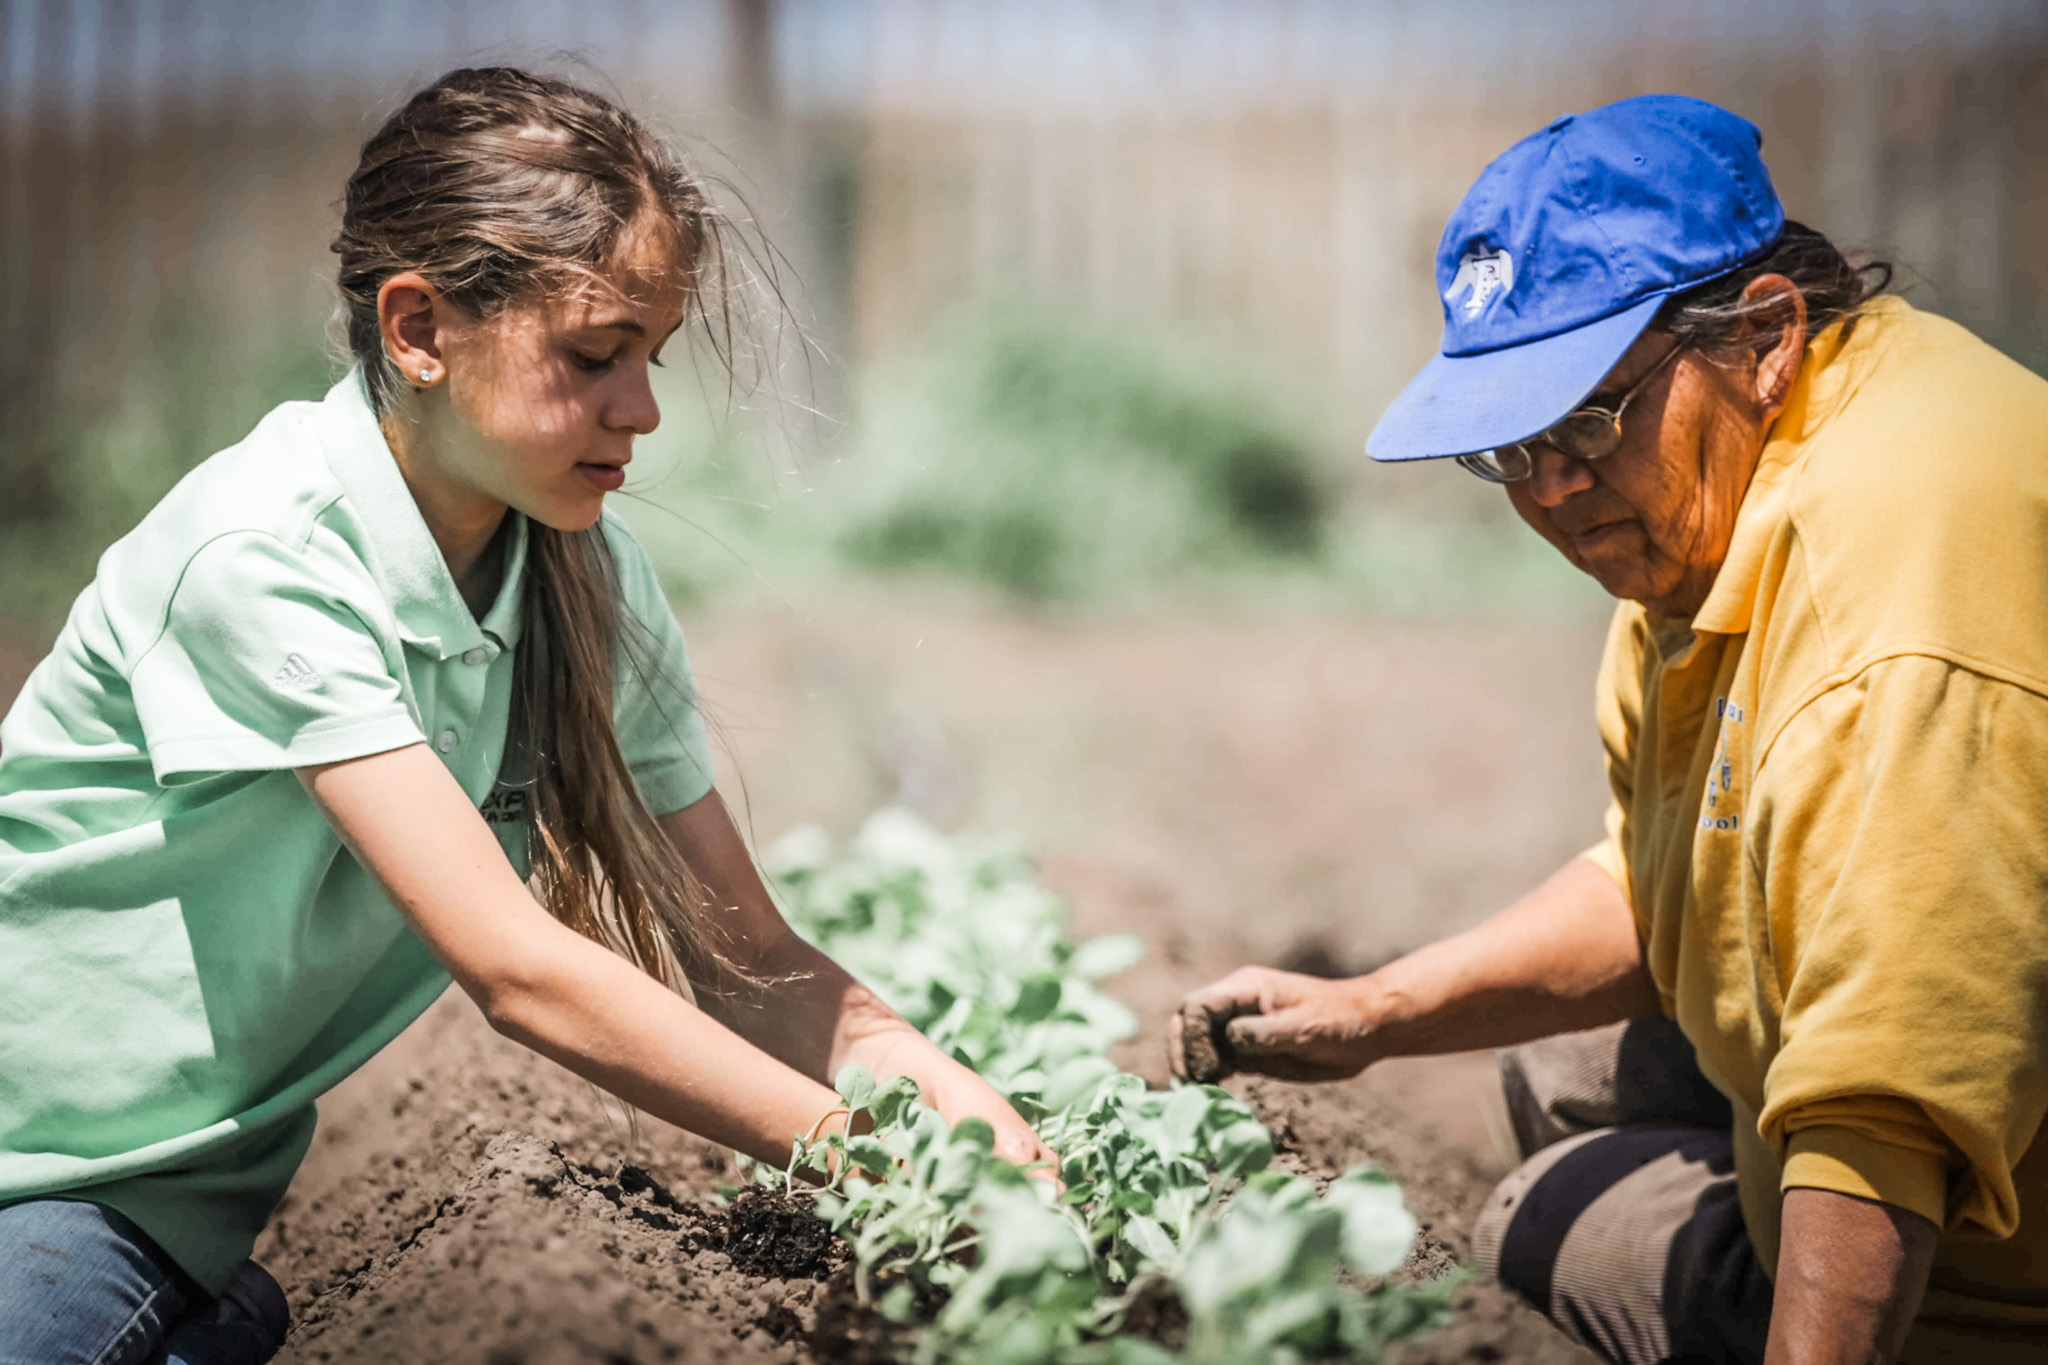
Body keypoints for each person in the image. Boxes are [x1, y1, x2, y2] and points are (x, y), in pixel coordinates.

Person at [0, 67, 1049, 1363]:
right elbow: (518, 969)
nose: (645, 411)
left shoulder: (583, 575)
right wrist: (871, 1159)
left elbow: (747, 968)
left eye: (652, 359)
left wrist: (980, 1129)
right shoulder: (266, 557)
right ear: (419, 329)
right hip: (38, 1170)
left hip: (167, 1206)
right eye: (597, 357)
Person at [1170, 93, 2048, 1365]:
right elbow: (1679, 871)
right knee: (1563, 1065)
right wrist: (1371, 1013)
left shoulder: (1898, 603)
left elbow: (1889, 1096)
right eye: (1506, 450)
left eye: (1585, 420)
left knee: (1542, 1213)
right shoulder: (1748, 481)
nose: (1550, 492)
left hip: (1994, 1277)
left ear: (1758, 334)